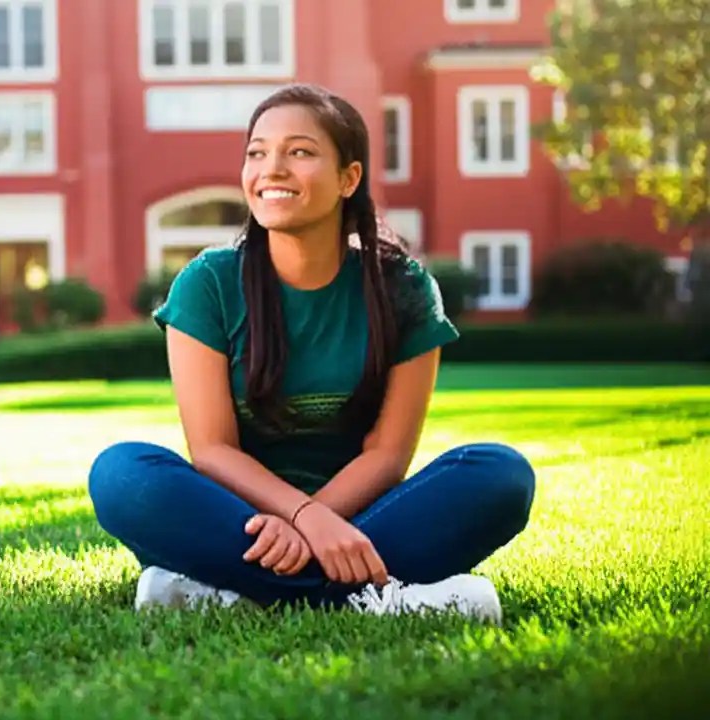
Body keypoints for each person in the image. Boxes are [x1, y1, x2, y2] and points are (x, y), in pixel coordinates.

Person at [87, 84, 536, 623]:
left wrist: (318, 521)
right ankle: (377, 597)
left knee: (500, 474)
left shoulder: (405, 289)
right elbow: (212, 451)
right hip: (234, 519)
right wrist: (299, 516)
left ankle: (234, 593)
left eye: (299, 152)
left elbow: (386, 455)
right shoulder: (207, 283)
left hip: (364, 517)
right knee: (122, 473)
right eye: (257, 153)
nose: (271, 168)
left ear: (350, 178)